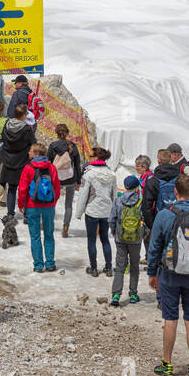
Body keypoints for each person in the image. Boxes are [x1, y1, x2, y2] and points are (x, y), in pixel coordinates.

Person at [147, 174, 189, 376]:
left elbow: (154, 246)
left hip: (169, 274)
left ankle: (167, 364)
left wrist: (151, 272)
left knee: (170, 318)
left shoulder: (165, 215)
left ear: (175, 192)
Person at [17, 142, 62, 272]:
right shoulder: (52, 167)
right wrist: (53, 202)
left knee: (35, 236)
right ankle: (50, 263)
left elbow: (23, 188)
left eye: (30, 151)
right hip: (48, 206)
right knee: (49, 234)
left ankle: (38, 265)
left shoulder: (28, 168)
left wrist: (21, 204)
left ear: (36, 153)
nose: (28, 153)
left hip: (32, 205)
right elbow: (57, 187)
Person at [74, 147, 115, 276]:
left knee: (91, 240)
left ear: (96, 158)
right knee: (105, 240)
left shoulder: (89, 174)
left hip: (92, 210)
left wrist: (79, 212)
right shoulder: (112, 174)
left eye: (91, 156)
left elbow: (83, 194)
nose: (89, 158)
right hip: (106, 211)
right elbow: (114, 195)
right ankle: (108, 267)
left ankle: (94, 268)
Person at [110, 174, 146, 305]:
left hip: (121, 237)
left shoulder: (118, 200)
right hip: (136, 239)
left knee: (120, 267)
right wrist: (144, 233)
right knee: (134, 267)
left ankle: (116, 295)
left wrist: (114, 231)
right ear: (137, 187)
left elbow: (112, 218)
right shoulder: (140, 202)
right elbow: (144, 219)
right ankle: (133, 294)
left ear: (125, 186)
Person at [0, 104, 37, 217]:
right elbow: (33, 144)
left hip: (8, 161)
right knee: (25, 188)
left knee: (11, 188)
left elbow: (3, 139)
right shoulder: (26, 129)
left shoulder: (7, 125)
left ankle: (10, 213)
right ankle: (26, 214)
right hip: (23, 161)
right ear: (24, 115)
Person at [47, 124, 84, 239]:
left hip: (56, 178)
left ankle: (49, 225)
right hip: (71, 178)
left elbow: (48, 163)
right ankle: (65, 227)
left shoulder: (53, 146)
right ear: (68, 133)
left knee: (52, 202)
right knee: (68, 205)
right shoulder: (72, 146)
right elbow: (77, 165)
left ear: (56, 133)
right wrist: (78, 181)